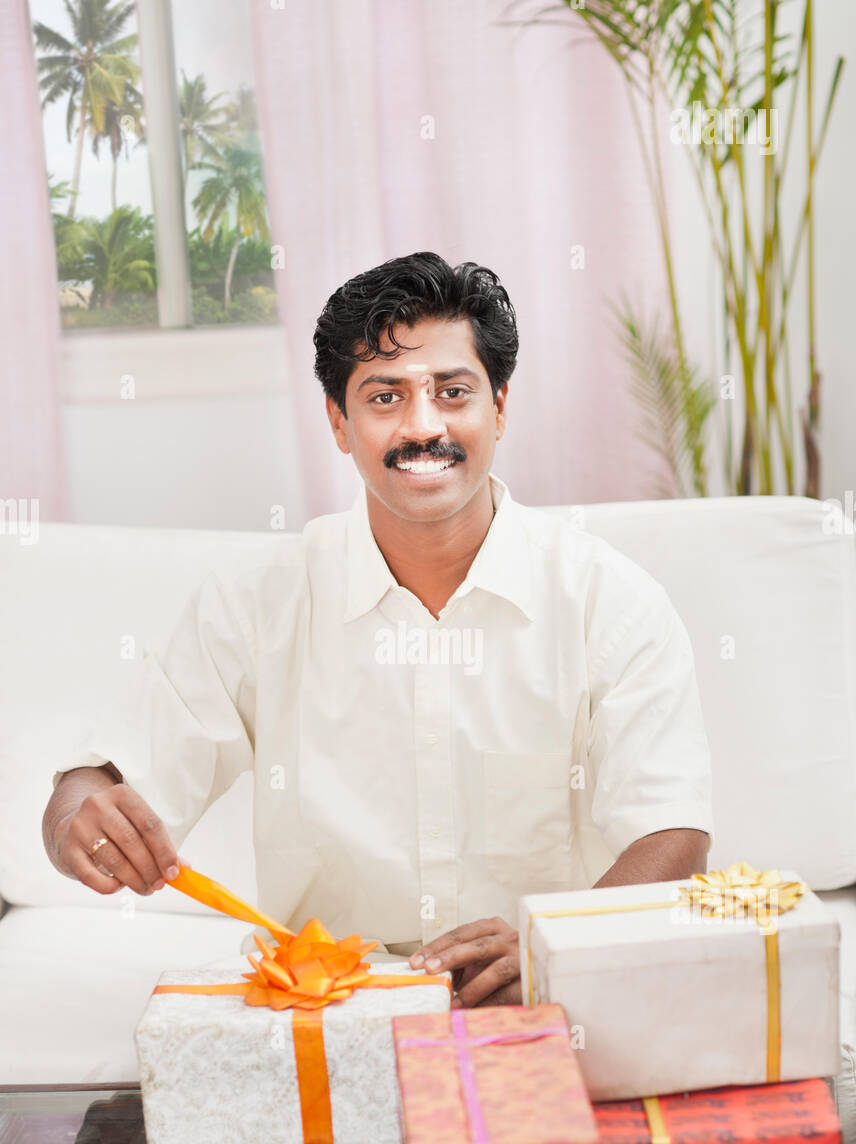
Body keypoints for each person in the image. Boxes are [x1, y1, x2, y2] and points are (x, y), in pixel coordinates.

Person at [42, 251, 713, 1008]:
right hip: (323, 1011)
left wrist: (553, 945)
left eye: (451, 392)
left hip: (540, 999)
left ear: (498, 406)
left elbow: (670, 831)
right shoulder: (254, 604)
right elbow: (94, 786)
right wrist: (78, 819)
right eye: (384, 397)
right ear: (339, 422)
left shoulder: (609, 601)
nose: (422, 427)